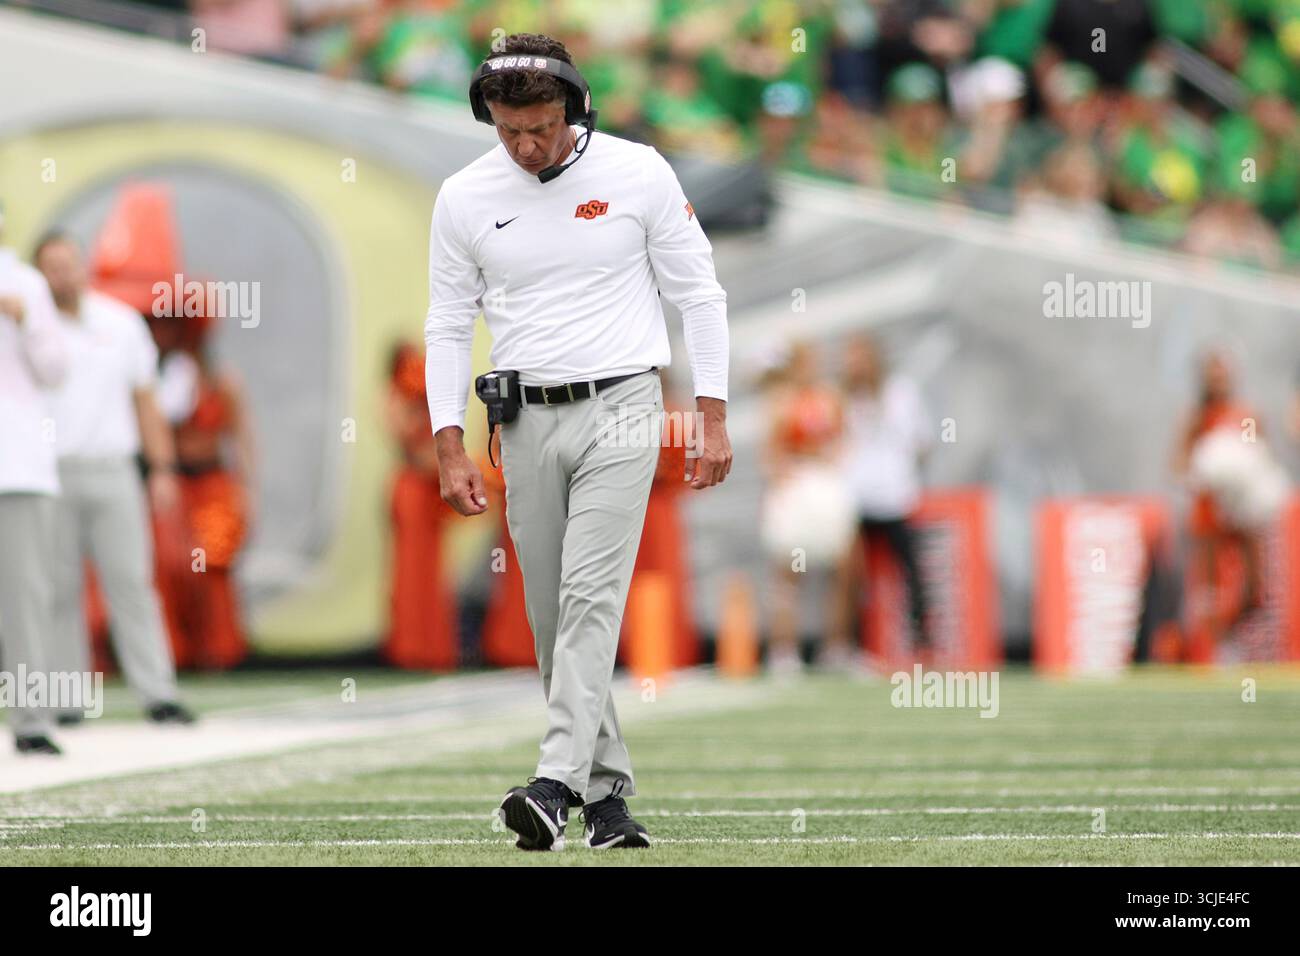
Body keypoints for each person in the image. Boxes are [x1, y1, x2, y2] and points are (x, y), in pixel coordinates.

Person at [424, 33, 731, 851]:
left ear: (576, 108)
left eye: (542, 127)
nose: (526, 146)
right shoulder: (462, 194)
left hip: (625, 403)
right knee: (550, 611)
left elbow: (699, 292)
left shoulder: (640, 171)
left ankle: (553, 784)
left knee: (592, 599)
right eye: (508, 129)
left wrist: (713, 410)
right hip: (521, 417)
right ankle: (608, 805)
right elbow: (448, 323)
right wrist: (446, 439)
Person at [33, 233, 195, 726]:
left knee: (132, 582)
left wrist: (162, 468)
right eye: (51, 268)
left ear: (82, 265)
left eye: (68, 264)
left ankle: (157, 691)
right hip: (52, 471)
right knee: (58, 589)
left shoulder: (120, 323)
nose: (63, 275)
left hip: (113, 468)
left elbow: (145, 400)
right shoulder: (30, 330)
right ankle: (66, 699)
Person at [0, 207, 68, 754]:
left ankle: (31, 721)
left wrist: (25, 320)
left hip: (15, 465)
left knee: (22, 600)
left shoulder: (24, 283)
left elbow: (55, 369)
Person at [758, 340, 857, 676]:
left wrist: (832, 460)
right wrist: (785, 472)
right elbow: (770, 451)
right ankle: (784, 650)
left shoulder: (829, 398)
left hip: (825, 485)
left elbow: (844, 438)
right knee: (787, 572)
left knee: (842, 568)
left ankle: (837, 646)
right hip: (797, 485)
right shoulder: (781, 401)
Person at [840, 333, 933, 653]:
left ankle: (922, 645)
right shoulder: (843, 399)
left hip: (896, 495)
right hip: (854, 497)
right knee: (850, 576)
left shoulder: (900, 392)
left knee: (911, 570)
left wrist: (904, 469)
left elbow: (922, 441)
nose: (854, 366)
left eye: (860, 357)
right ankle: (852, 647)